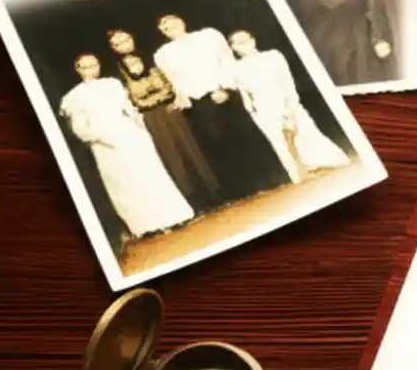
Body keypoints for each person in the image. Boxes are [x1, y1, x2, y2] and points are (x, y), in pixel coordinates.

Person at [153, 14, 290, 202]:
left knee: (244, 134)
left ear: (182, 22)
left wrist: (224, 88)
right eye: (165, 28)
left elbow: (227, 61)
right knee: (218, 144)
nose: (171, 29)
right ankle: (242, 190)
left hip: (225, 93)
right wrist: (186, 98)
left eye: (173, 24)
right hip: (199, 102)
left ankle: (271, 179)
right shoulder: (162, 54)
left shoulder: (209, 36)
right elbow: (175, 81)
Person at [58, 54, 194, 238]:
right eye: (86, 66)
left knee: (150, 174)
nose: (91, 69)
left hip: (129, 133)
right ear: (78, 69)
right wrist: (102, 137)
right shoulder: (73, 97)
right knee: (125, 183)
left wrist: (138, 128)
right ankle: (146, 226)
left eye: (94, 65)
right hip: (104, 142)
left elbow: (128, 108)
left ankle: (173, 216)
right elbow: (80, 127)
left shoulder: (112, 84)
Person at [108, 29, 223, 212]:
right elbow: (131, 98)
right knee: (170, 156)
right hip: (150, 117)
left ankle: (214, 193)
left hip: (171, 110)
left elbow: (169, 83)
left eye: (126, 39)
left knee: (191, 150)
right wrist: (149, 103)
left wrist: (167, 96)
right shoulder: (116, 72)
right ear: (113, 48)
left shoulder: (152, 57)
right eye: (118, 43)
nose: (124, 45)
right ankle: (193, 201)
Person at [229, 30, 350, 183]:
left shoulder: (273, 56)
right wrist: (253, 111)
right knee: (280, 142)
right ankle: (298, 174)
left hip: (284, 99)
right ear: (234, 47)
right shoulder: (237, 68)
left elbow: (287, 81)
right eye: (239, 43)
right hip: (263, 108)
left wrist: (290, 103)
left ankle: (326, 161)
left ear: (253, 40)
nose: (245, 45)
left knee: (304, 129)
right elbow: (244, 93)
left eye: (247, 40)